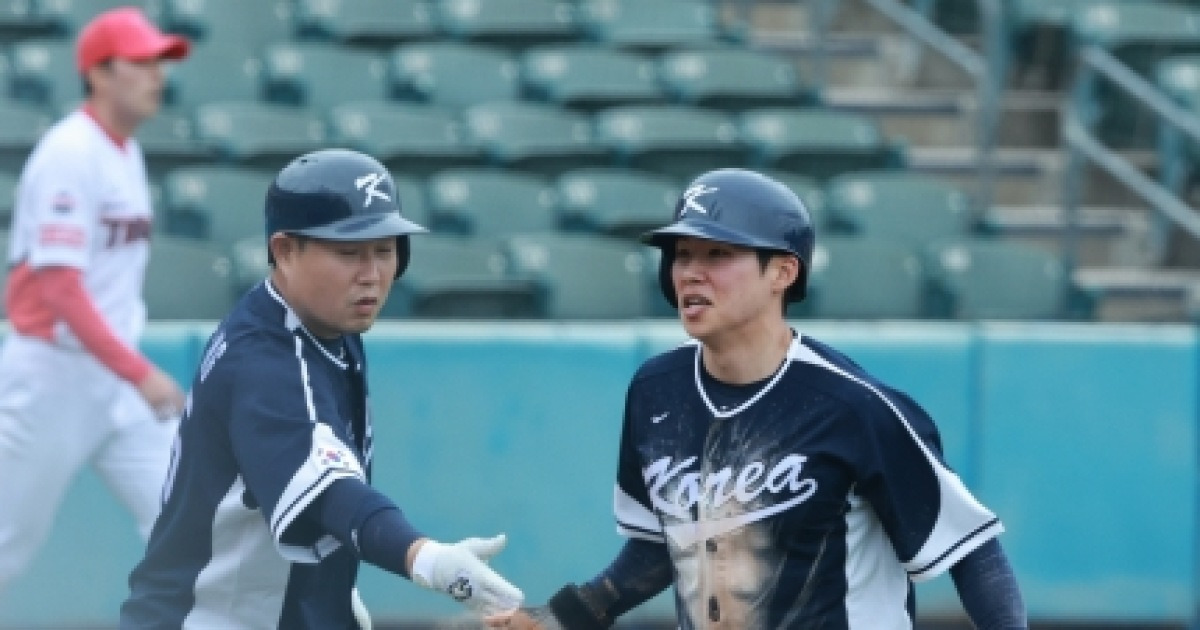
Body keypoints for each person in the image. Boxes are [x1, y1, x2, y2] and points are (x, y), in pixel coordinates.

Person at [494, 169, 1027, 629]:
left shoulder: (852, 406)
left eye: (718, 253)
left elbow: (974, 552)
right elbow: (663, 545)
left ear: (783, 271)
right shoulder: (656, 390)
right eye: (682, 254)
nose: (690, 272)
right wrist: (570, 615)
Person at [120, 148, 524, 629]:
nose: (371, 274)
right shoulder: (264, 362)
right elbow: (334, 496)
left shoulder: (329, 326)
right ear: (286, 252)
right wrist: (428, 560)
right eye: (349, 252)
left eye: (384, 249)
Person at [0, 7, 190, 595]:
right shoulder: (70, 151)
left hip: (116, 382)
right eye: (140, 62)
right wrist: (139, 371)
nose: (156, 74)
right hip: (52, 377)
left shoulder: (124, 152)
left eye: (160, 62)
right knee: (5, 544)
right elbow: (58, 289)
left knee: (190, 525)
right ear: (99, 73)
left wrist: (128, 374)